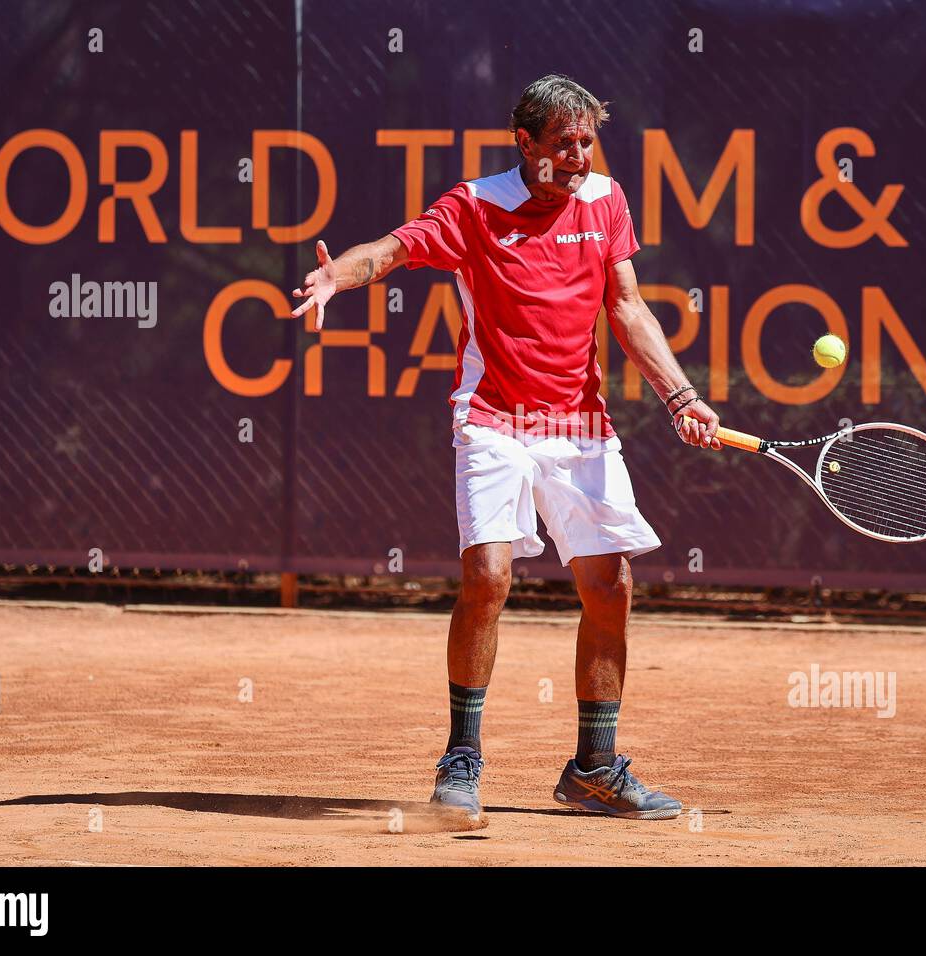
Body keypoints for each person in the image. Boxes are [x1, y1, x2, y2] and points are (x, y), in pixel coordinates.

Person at [293, 74, 721, 820]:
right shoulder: (473, 206)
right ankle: (461, 759)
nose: (580, 156)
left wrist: (680, 396)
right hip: (491, 417)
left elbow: (625, 307)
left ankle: (594, 766)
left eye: (588, 140)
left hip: (579, 425)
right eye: (564, 144)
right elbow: (391, 252)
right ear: (525, 143)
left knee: (610, 586)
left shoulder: (605, 200)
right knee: (487, 578)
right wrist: (338, 274)